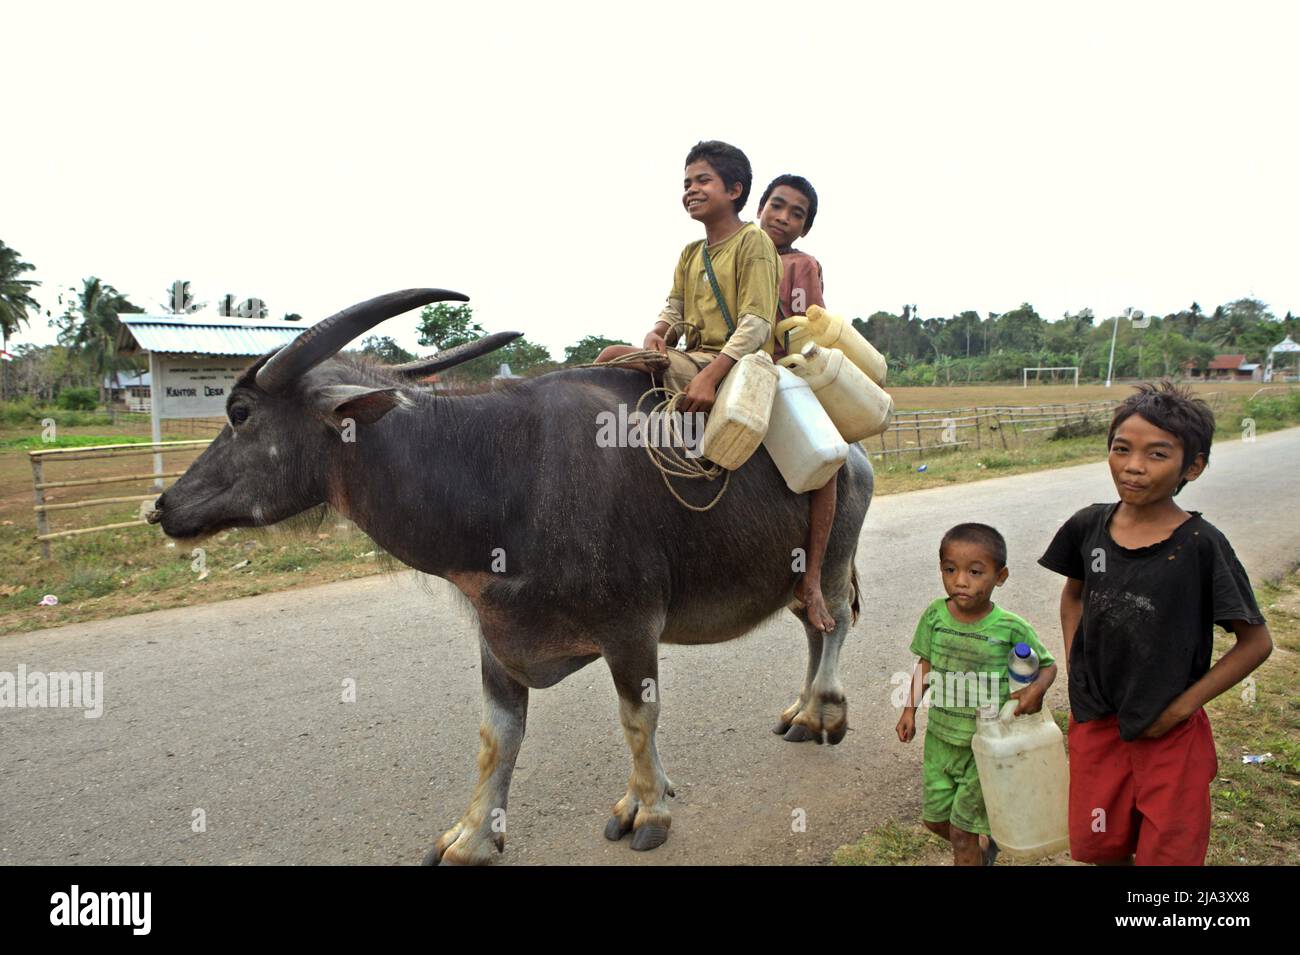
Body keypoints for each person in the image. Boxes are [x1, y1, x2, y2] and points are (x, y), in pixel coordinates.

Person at [1038, 380, 1272, 866]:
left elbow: (1256, 643)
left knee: (1169, 854)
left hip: (1168, 736)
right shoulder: (1088, 526)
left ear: (1194, 466)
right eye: (1121, 449)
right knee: (1100, 844)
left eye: (1156, 454)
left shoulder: (1201, 546)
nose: (1133, 466)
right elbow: (1074, 594)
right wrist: (1076, 664)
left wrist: (1182, 708)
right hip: (1097, 726)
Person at [897, 523, 1058, 865]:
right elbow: (925, 665)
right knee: (935, 820)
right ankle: (983, 850)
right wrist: (909, 709)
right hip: (940, 741)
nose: (960, 581)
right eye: (950, 570)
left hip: (986, 745)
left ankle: (973, 850)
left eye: (975, 572)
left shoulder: (1010, 627)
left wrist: (1036, 690)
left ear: (1000, 577)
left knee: (960, 832)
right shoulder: (935, 617)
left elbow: (1047, 666)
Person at [595, 140, 780, 414]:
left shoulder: (752, 241)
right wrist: (657, 334)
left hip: (732, 365)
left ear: (734, 190)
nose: (691, 190)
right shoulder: (691, 253)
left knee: (611, 357)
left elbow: (756, 324)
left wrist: (709, 378)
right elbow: (675, 308)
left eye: (703, 181)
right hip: (693, 358)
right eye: (687, 184)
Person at [756, 174, 835, 632]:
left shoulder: (800, 266)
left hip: (778, 371)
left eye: (796, 214)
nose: (783, 218)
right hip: (715, 362)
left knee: (824, 460)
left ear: (804, 228)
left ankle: (813, 579)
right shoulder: (732, 252)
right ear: (760, 206)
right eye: (777, 206)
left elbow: (810, 329)